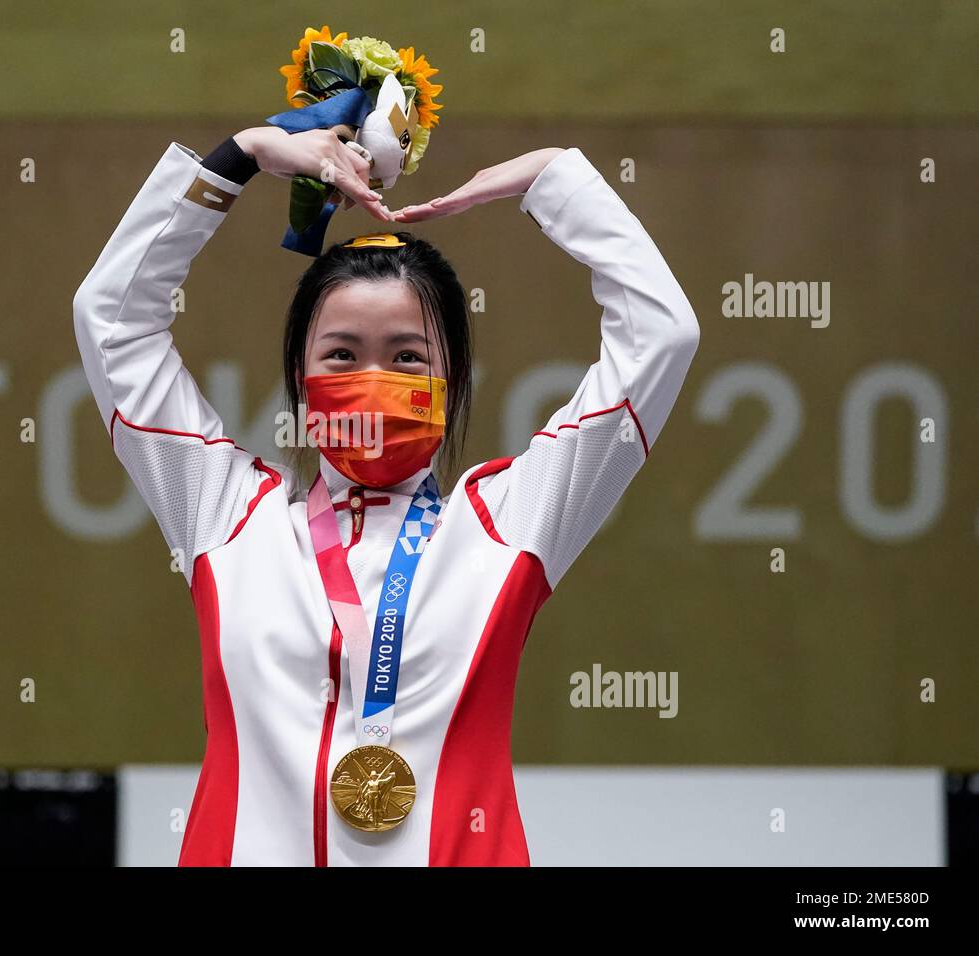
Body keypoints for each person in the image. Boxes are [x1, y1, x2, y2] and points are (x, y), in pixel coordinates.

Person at [73, 126, 699, 866]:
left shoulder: (508, 523)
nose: (373, 380)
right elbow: (113, 321)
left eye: (407, 356)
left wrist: (549, 178)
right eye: (342, 355)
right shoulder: (224, 514)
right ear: (301, 381)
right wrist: (240, 157)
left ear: (454, 380)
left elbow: (662, 334)